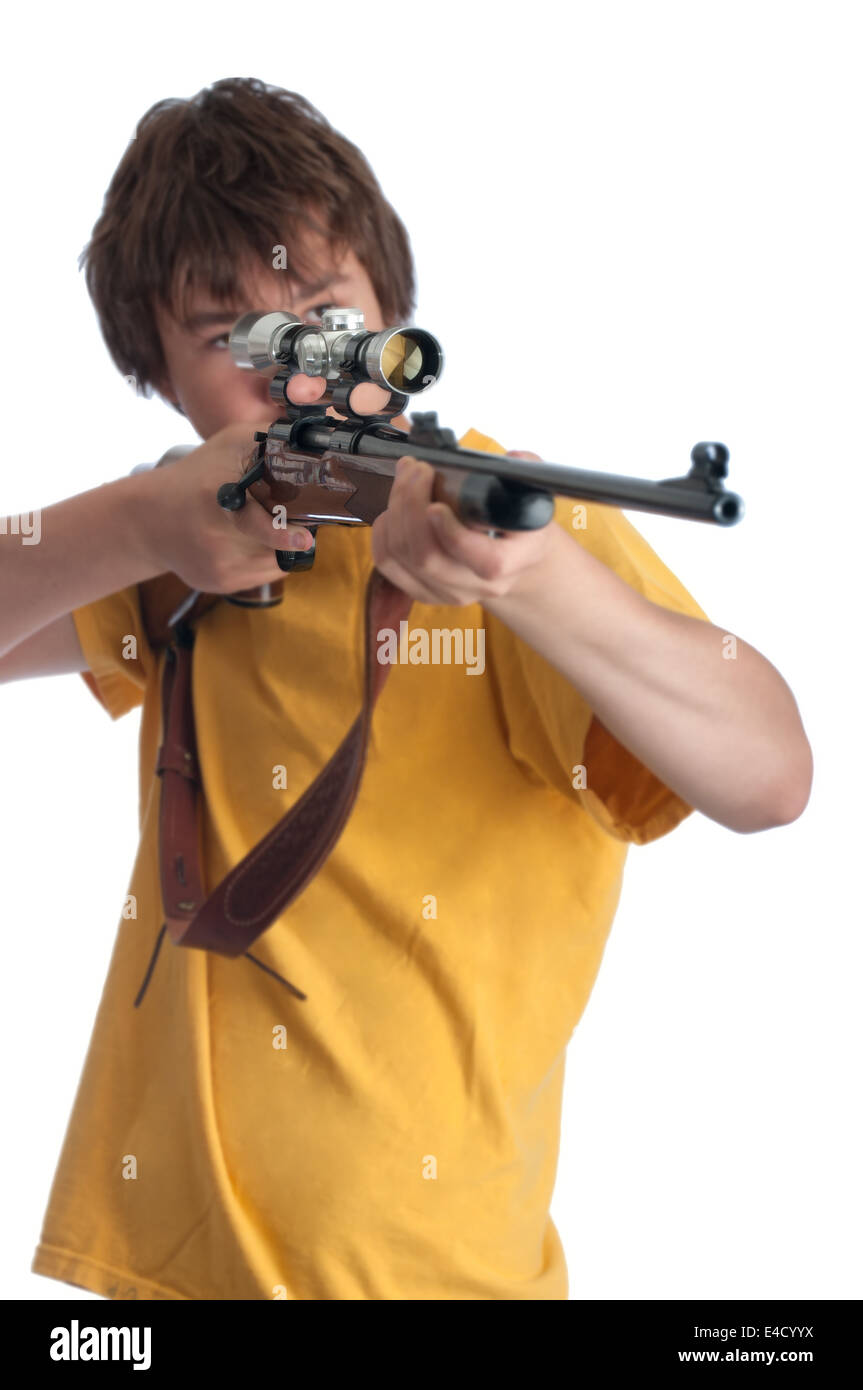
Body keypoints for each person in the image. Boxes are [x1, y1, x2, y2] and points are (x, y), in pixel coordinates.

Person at [0, 78, 812, 1301]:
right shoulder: (184, 534)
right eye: (229, 338)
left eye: (326, 312)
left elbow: (771, 775)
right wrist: (138, 519)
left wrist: (535, 582)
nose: (294, 370)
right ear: (156, 374)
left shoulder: (508, 524)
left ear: (390, 318)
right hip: (168, 1282)